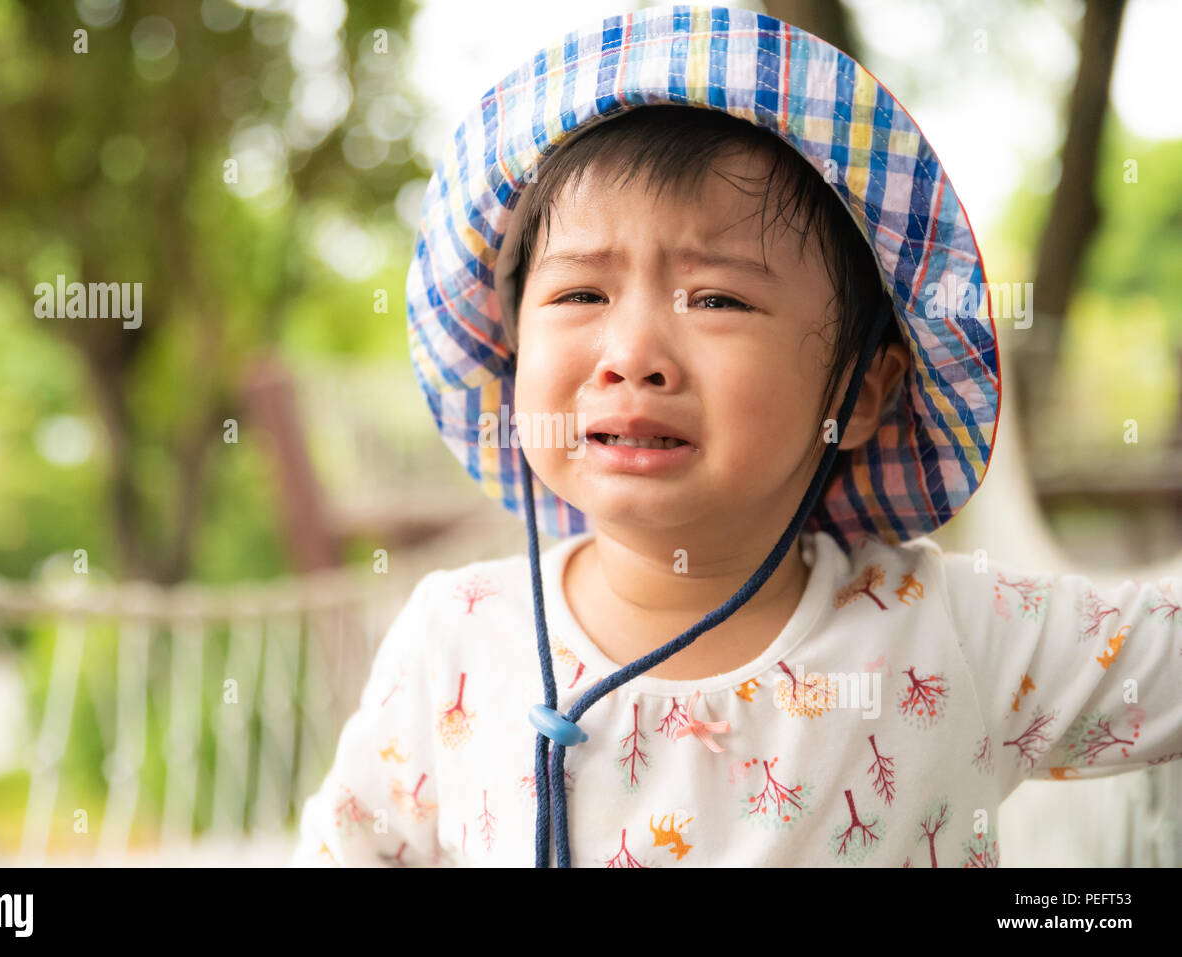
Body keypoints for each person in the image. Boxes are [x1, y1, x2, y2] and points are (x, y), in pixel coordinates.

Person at [292, 5, 1182, 867]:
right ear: (513, 347)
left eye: (716, 298)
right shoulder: (456, 643)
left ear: (865, 390)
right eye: (580, 295)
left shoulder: (951, 639)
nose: (632, 355)